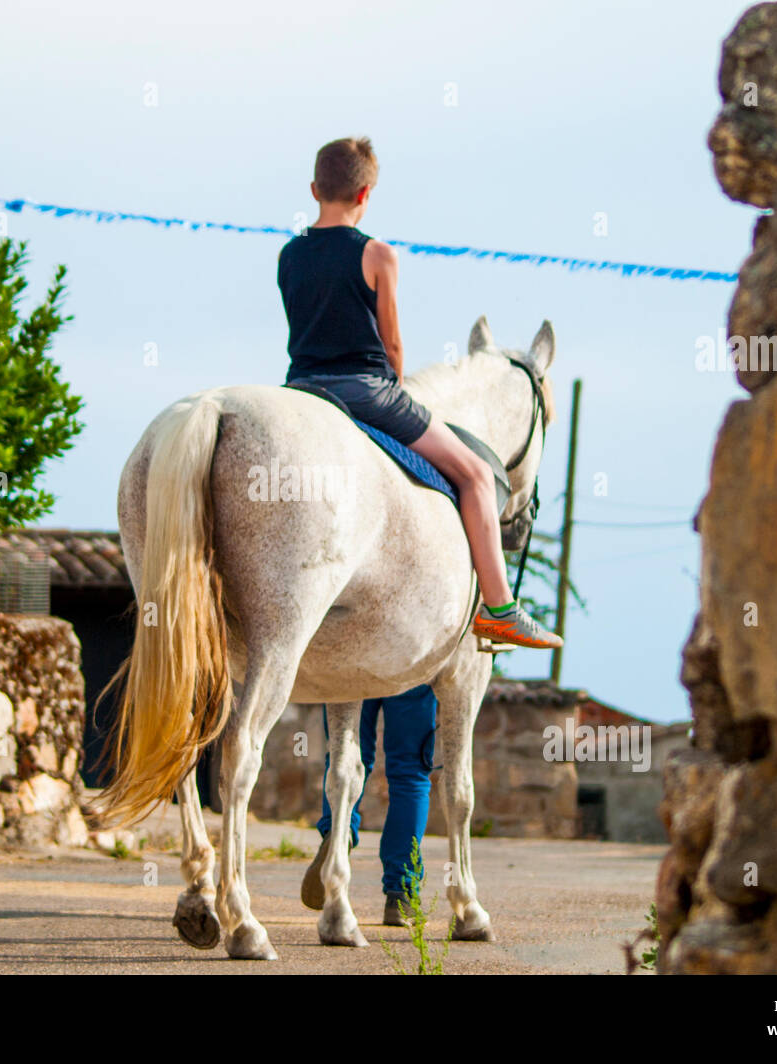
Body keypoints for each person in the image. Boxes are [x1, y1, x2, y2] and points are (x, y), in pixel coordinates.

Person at [277, 135, 562, 650]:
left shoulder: (289, 255)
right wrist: (397, 388)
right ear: (366, 195)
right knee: (476, 474)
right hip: (366, 391)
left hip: (301, 390)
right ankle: (500, 609)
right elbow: (391, 341)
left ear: (315, 189)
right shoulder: (378, 255)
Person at [301, 686, 438, 926]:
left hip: (351, 664)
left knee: (343, 756)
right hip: (411, 665)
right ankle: (401, 894)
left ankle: (339, 833)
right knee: (410, 771)